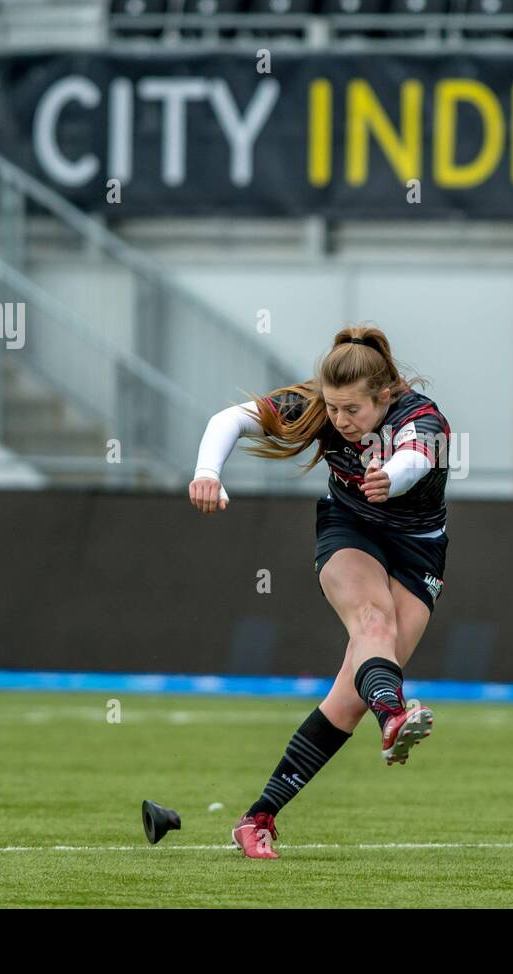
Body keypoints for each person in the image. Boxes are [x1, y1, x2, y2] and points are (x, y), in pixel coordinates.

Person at [189, 325, 452, 859]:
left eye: (352, 410)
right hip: (349, 530)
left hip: (419, 549)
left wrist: (392, 476)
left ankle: (256, 818)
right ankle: (394, 715)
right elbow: (230, 419)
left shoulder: (422, 418)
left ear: (384, 396)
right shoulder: (319, 404)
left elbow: (416, 459)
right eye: (333, 408)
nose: (338, 421)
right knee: (372, 624)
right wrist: (207, 471)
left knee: (351, 697)